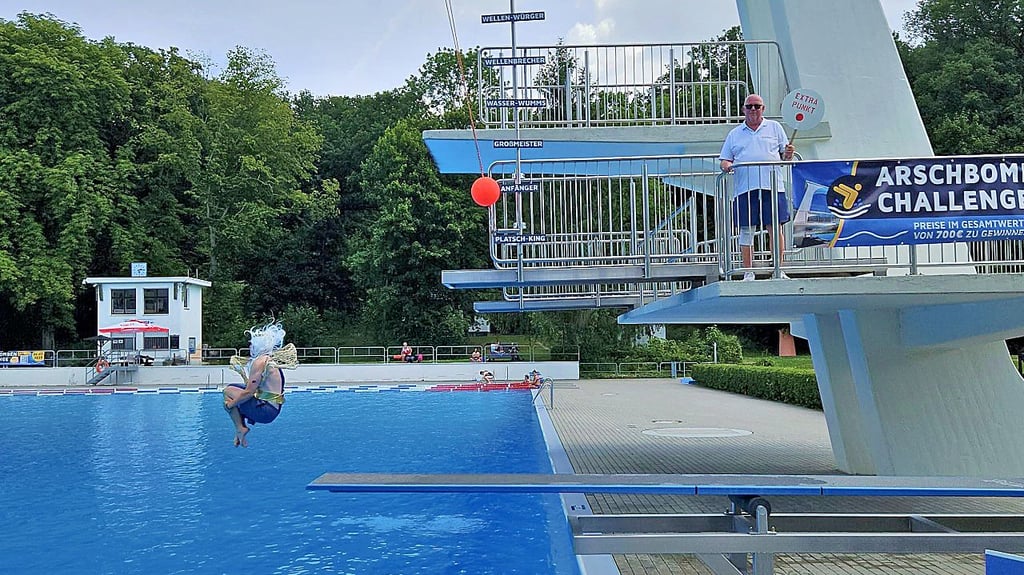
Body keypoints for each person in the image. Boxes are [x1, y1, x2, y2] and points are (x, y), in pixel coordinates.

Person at [719, 93, 795, 280]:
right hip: (745, 187)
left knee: (775, 228)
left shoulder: (775, 128)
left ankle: (778, 269)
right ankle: (748, 271)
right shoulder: (734, 134)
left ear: (763, 109)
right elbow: (725, 159)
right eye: (750, 106)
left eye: (757, 106)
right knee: (746, 229)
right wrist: (727, 166)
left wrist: (789, 152)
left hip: (773, 186)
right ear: (744, 109)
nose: (753, 110)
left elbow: (786, 156)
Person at [225, 322, 299, 447]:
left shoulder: (260, 362)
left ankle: (240, 428)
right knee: (233, 389)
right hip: (272, 409)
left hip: (266, 411)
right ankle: (240, 428)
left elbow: (248, 392)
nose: (250, 347)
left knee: (228, 392)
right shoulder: (269, 361)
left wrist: (229, 406)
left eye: (252, 344)